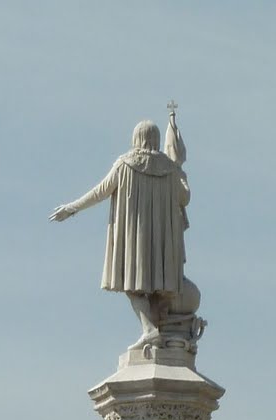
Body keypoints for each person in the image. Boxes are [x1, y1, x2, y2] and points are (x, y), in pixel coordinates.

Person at [51, 112, 199, 345]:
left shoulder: (125, 164)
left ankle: (149, 329)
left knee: (132, 286)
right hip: (161, 244)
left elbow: (99, 192)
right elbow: (185, 198)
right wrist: (179, 168)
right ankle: (155, 330)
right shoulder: (170, 169)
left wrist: (72, 208)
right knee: (157, 290)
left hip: (135, 241)